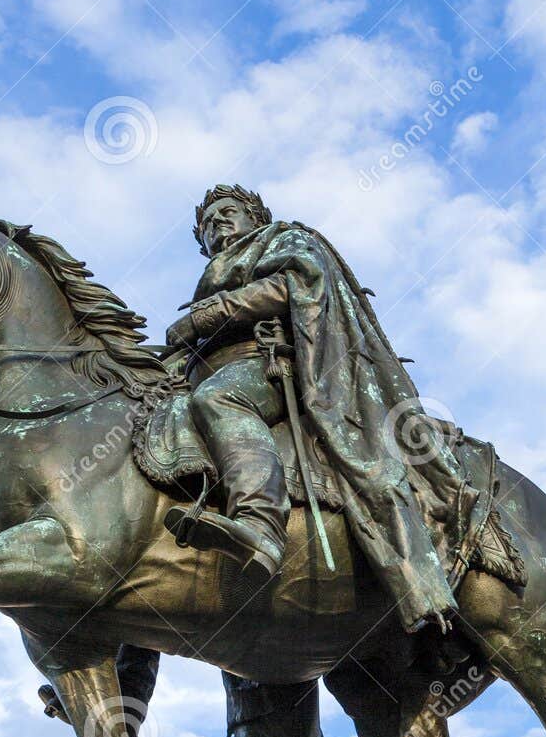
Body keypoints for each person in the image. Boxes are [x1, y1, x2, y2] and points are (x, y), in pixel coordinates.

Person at [164, 184, 468, 634]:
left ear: (254, 215)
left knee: (220, 399)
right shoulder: (214, 274)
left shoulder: (282, 239)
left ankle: (260, 524)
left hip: (270, 367)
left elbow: (299, 285)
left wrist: (207, 314)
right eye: (207, 225)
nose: (216, 225)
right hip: (209, 370)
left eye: (226, 213)